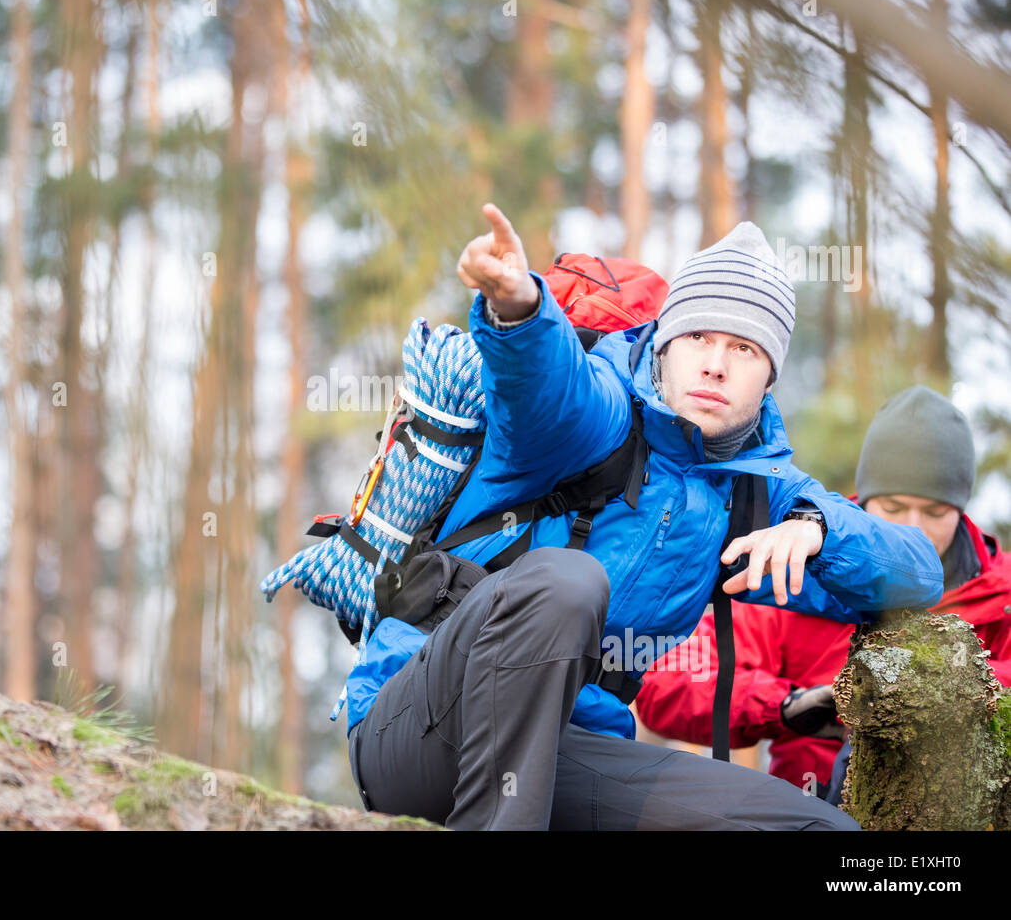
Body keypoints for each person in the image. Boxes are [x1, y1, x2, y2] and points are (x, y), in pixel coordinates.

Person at [343, 203, 944, 830]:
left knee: (822, 831)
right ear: (663, 343)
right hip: (417, 729)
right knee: (565, 583)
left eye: (744, 347)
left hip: (558, 756)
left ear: (769, 378)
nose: (716, 363)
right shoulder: (596, 417)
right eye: (699, 338)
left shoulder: (754, 499)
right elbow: (545, 385)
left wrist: (817, 528)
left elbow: (919, 574)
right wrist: (518, 308)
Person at [635, 385, 1011, 801]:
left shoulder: (1002, 594)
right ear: (865, 498)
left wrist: (942, 690)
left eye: (936, 511)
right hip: (806, 812)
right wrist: (788, 707)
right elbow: (668, 680)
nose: (912, 527)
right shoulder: (794, 562)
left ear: (961, 507)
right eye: (892, 507)